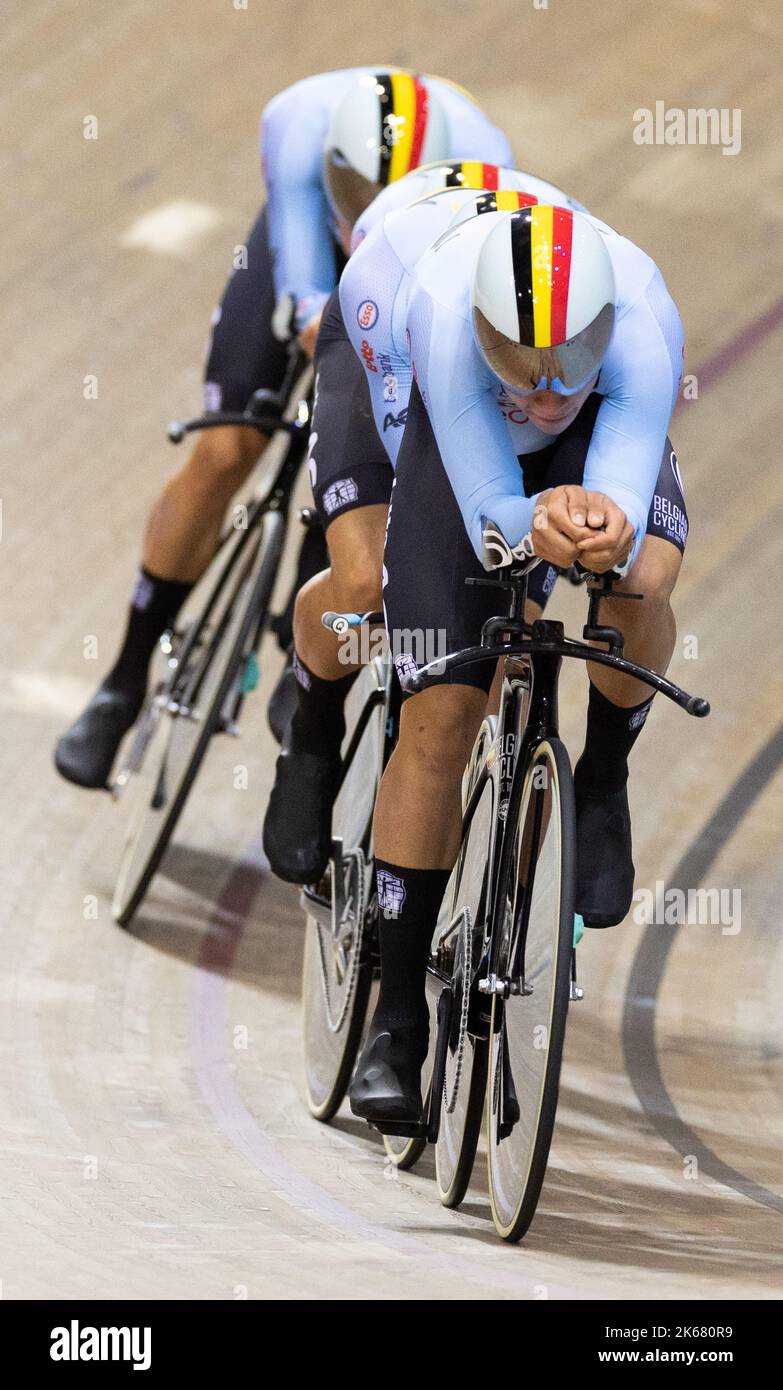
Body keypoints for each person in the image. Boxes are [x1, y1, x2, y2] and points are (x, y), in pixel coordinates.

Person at [54, 69, 512, 788]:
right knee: (225, 447)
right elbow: (303, 290)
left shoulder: (489, 166)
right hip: (314, 248)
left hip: (413, 261)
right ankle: (123, 675)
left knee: (373, 452)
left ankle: (309, 636)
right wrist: (318, 329)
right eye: (354, 194)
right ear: (333, 168)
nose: (361, 210)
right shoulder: (295, 126)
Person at [334, 201, 686, 1127]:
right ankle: (396, 1018)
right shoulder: (450, 325)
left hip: (592, 441)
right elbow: (488, 499)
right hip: (463, 450)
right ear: (488, 334)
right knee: (441, 716)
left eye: (561, 374)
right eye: (517, 370)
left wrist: (598, 529)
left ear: (600, 338)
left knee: (640, 578)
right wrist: (527, 524)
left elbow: (615, 496)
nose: (536, 394)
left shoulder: (643, 322)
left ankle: (601, 774)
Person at [262, 167, 585, 881]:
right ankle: (312, 725)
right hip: (390, 360)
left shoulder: (569, 305)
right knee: (367, 584)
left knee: (496, 649)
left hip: (501, 383)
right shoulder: (414, 286)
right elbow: (408, 453)